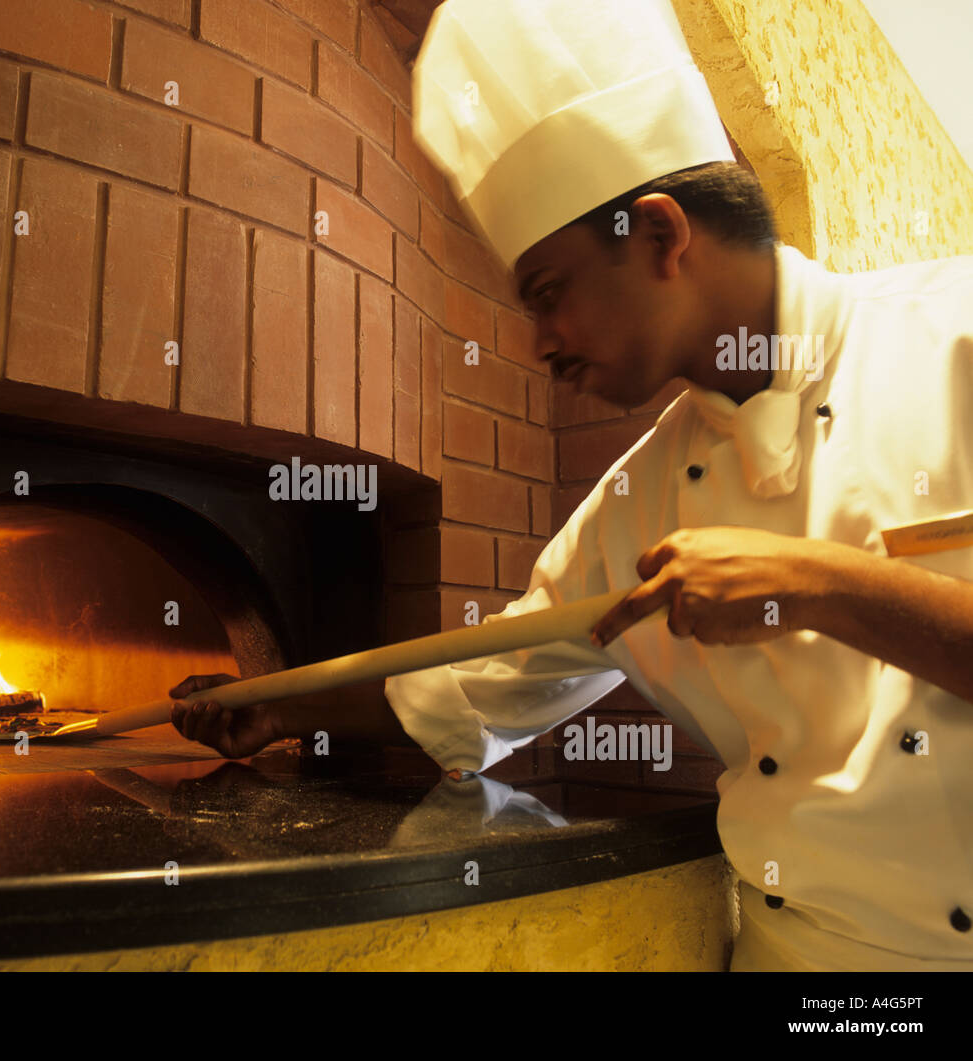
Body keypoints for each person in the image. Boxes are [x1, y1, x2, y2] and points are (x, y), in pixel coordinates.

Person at [170, 0, 973, 971]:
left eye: (550, 292)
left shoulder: (951, 338)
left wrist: (820, 582)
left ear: (662, 235)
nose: (539, 342)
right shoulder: (636, 503)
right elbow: (481, 682)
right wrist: (283, 706)